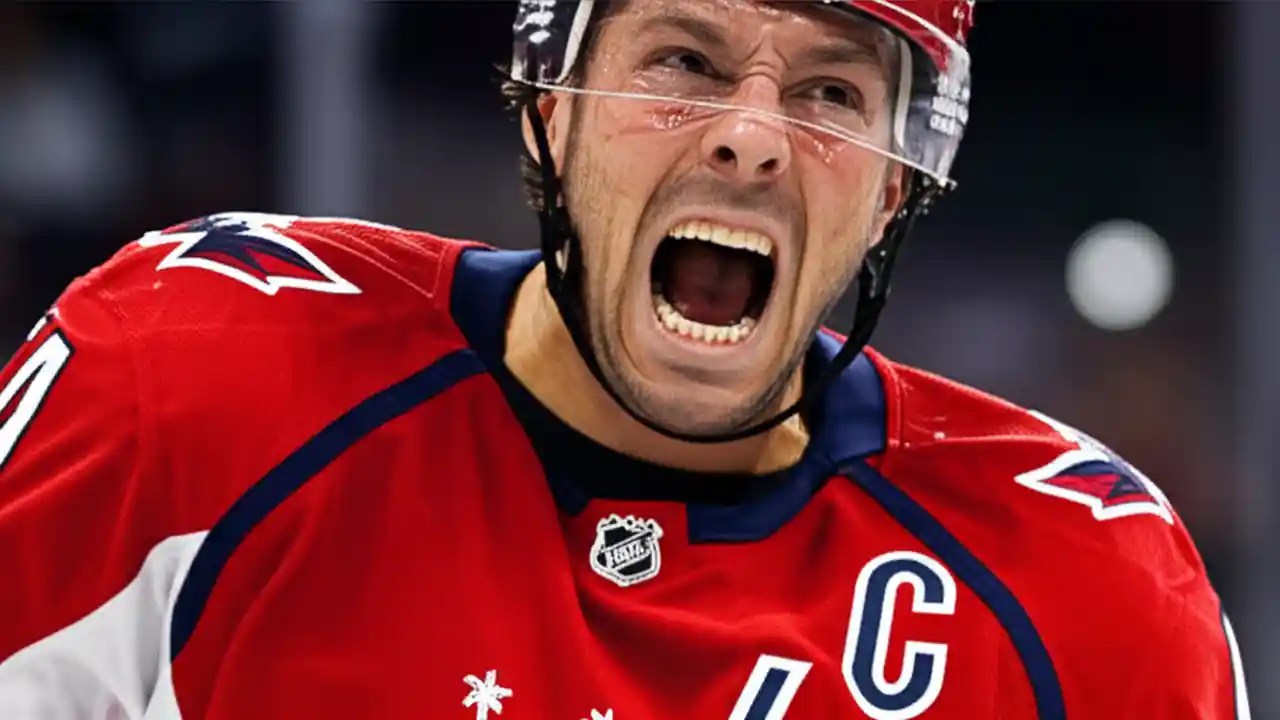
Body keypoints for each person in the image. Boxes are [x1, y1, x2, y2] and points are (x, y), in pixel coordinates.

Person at [0, 1, 1251, 718]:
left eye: (827, 95)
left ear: (887, 195)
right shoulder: (194, 370)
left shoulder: (1084, 593)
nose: (750, 137)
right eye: (686, 63)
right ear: (547, 107)